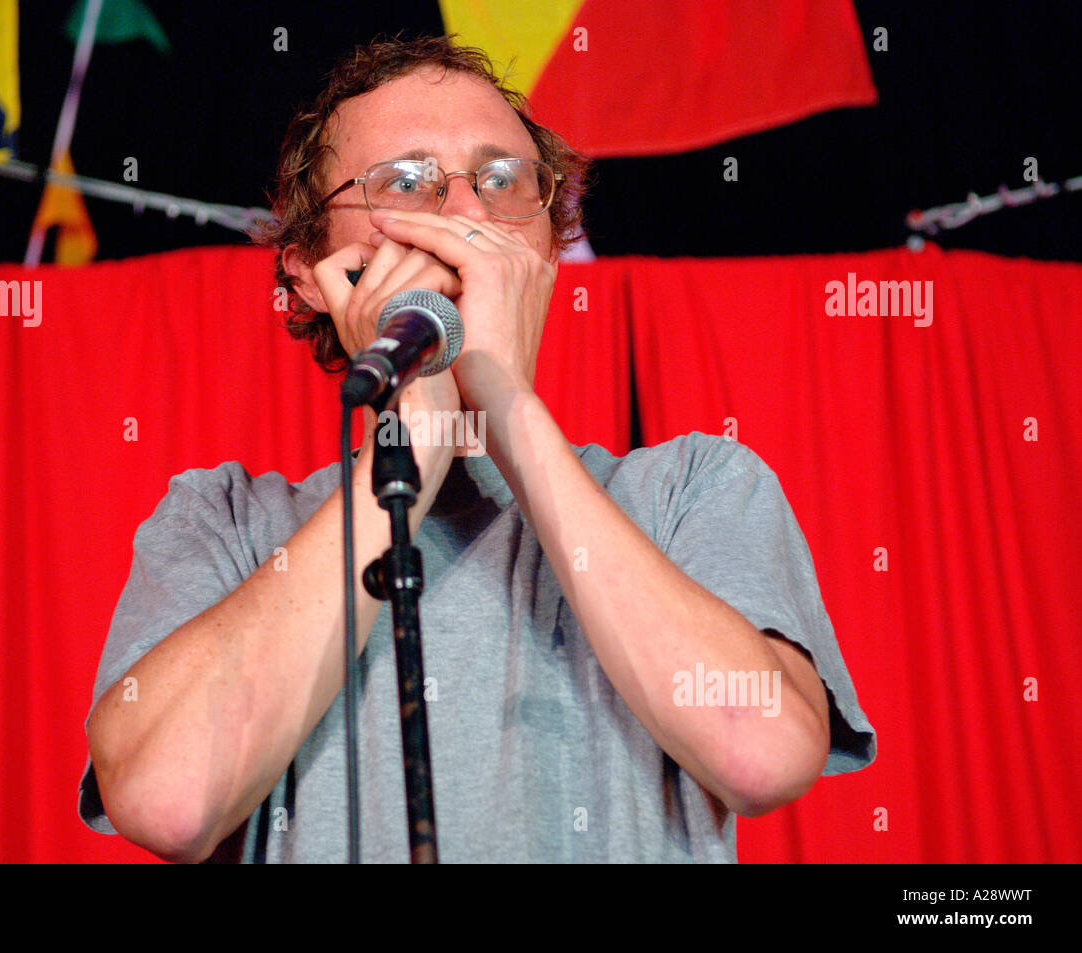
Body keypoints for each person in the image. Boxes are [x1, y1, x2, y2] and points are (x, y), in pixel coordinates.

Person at [78, 34, 876, 863]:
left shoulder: (692, 487)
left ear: (548, 248)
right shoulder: (226, 521)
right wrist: (413, 440)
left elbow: (765, 752)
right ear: (311, 273)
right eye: (407, 182)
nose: (468, 214)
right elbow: (167, 801)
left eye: (503, 180)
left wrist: (503, 403)